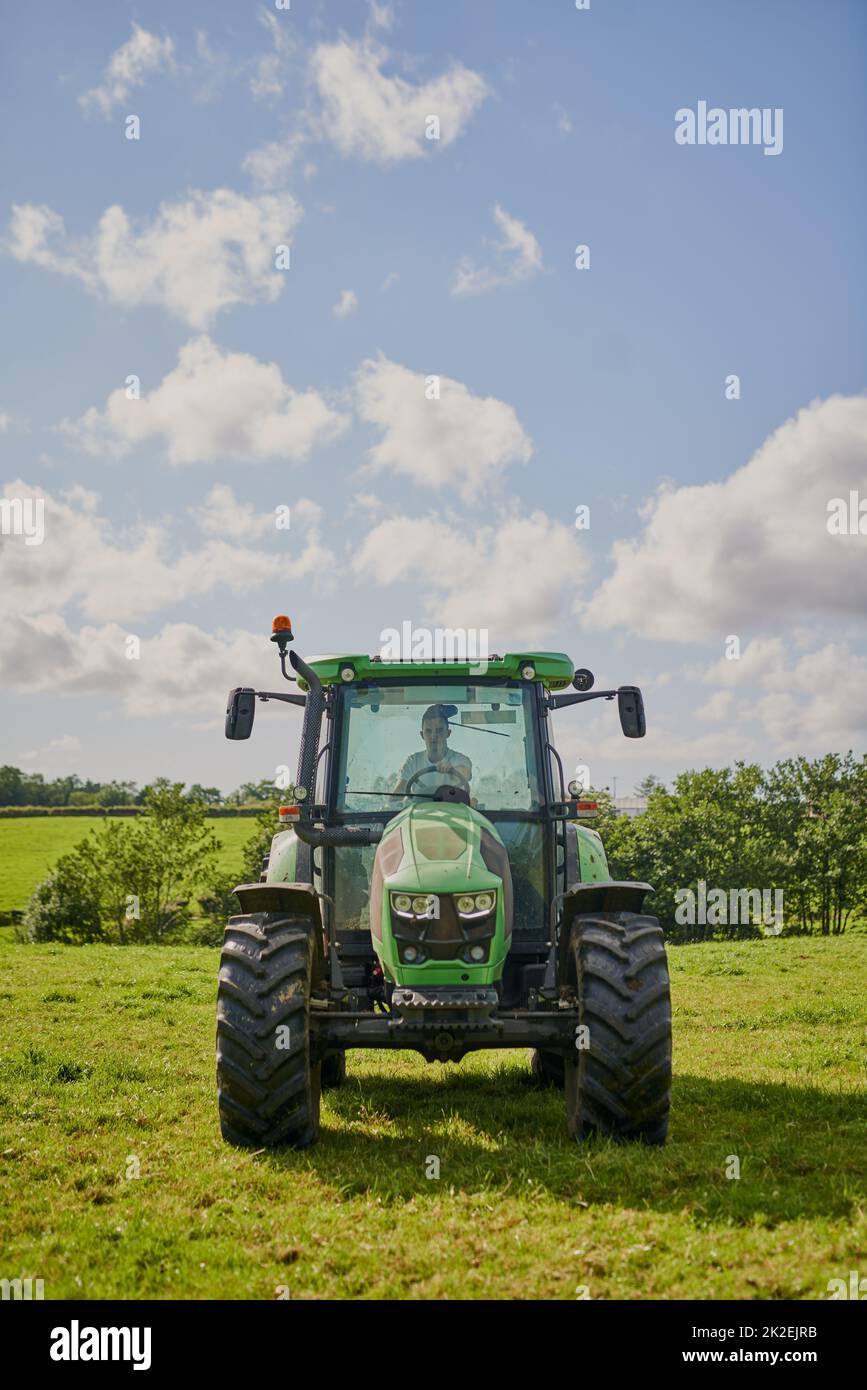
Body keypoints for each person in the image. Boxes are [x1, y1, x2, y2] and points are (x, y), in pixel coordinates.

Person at [393, 704, 472, 796]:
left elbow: (465, 775)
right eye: (428, 731)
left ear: (448, 733)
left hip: (452, 810)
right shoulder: (413, 762)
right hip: (420, 810)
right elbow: (396, 797)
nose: (433, 736)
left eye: (439, 730)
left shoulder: (460, 760)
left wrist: (453, 770)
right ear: (422, 735)